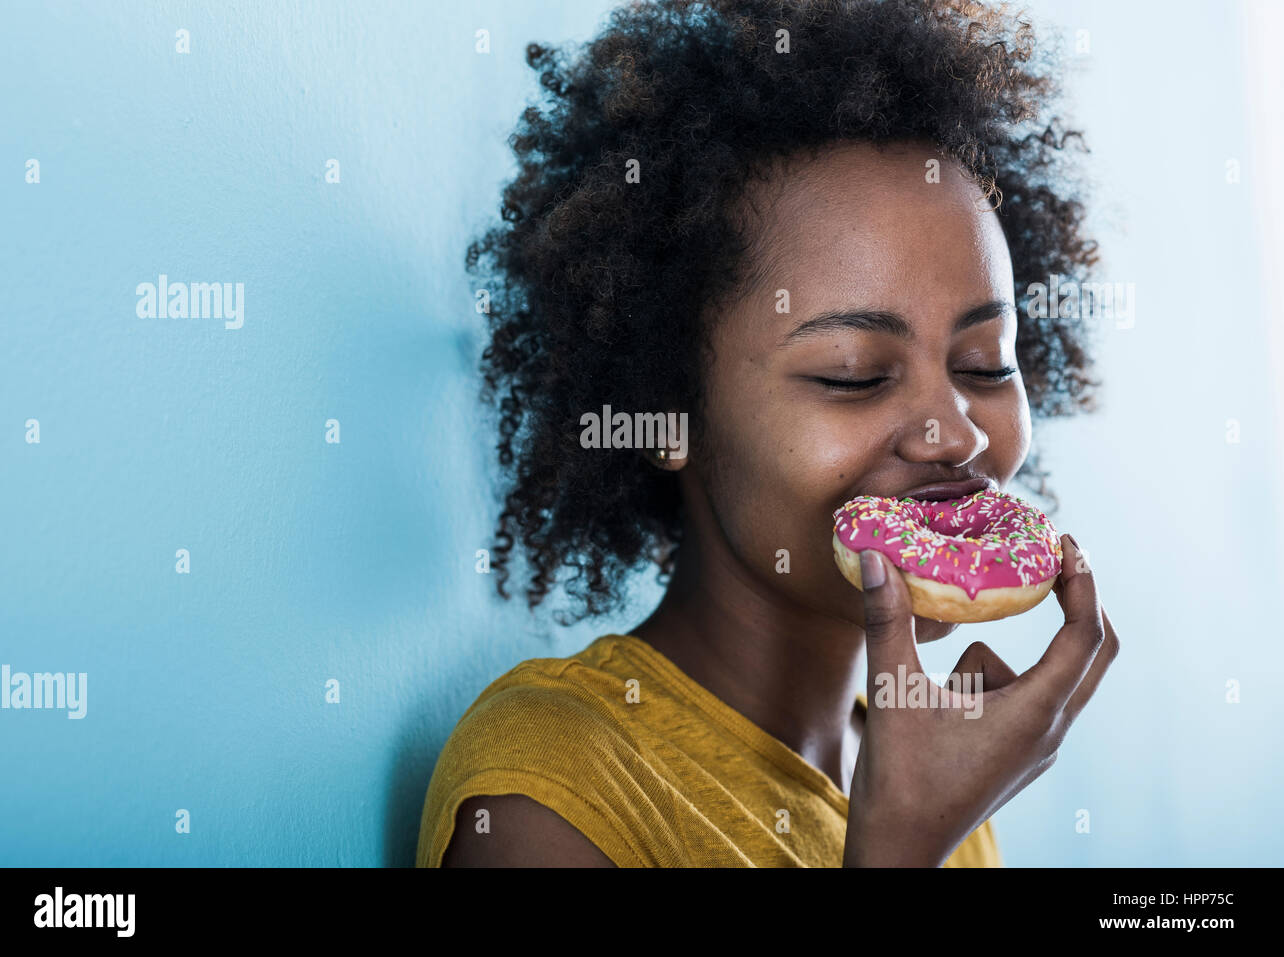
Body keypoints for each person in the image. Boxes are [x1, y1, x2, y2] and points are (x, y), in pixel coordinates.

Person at [417, 0, 1119, 867]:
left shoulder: (939, 780)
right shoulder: (551, 786)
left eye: (985, 363)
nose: (956, 436)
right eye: (854, 374)